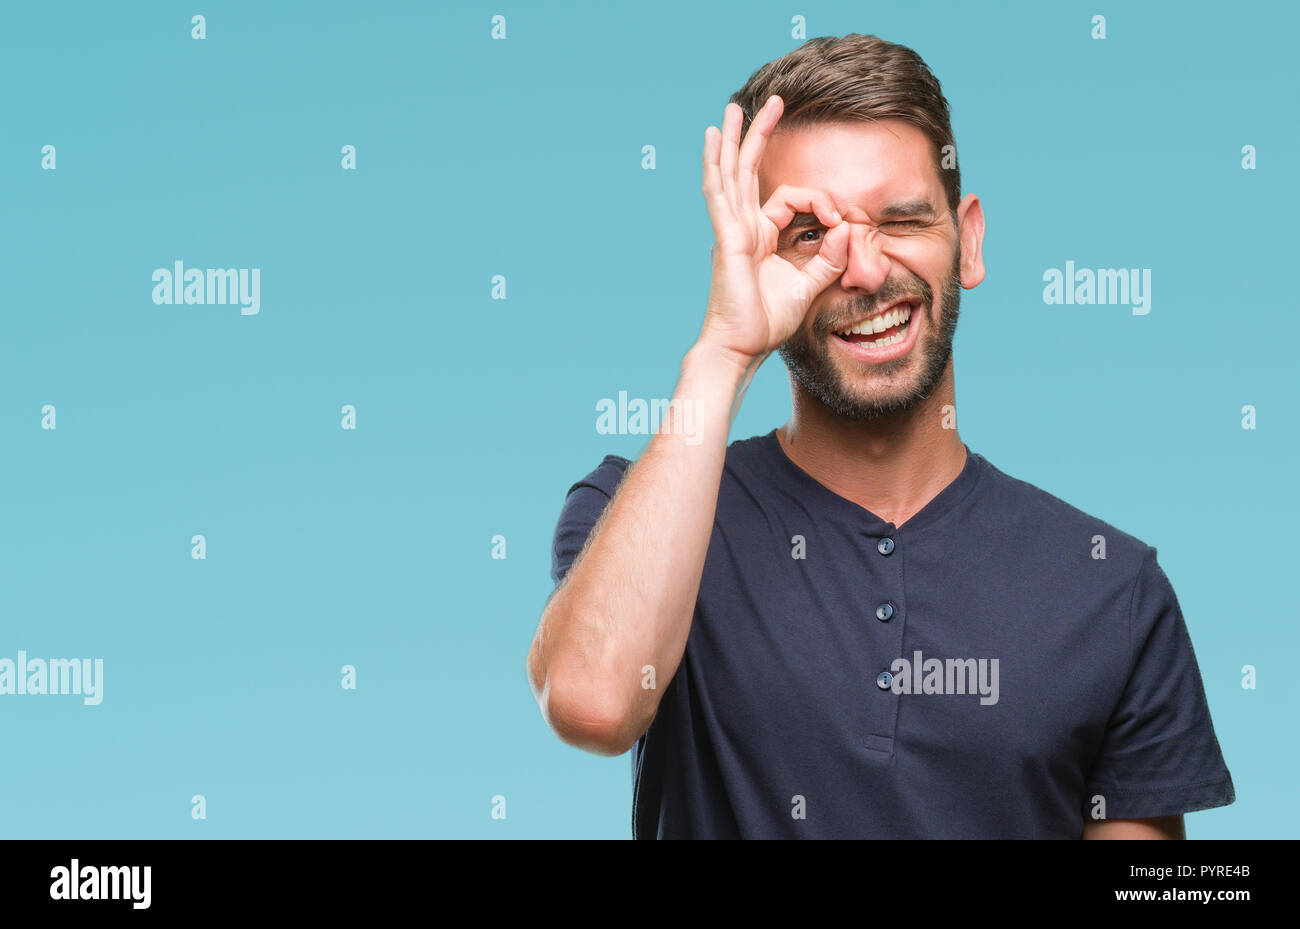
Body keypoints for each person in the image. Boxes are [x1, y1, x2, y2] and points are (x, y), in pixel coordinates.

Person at [526, 33, 1234, 839]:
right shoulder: (637, 510)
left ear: (967, 240)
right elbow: (592, 703)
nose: (863, 269)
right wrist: (724, 351)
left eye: (902, 219)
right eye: (808, 235)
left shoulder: (1114, 589)